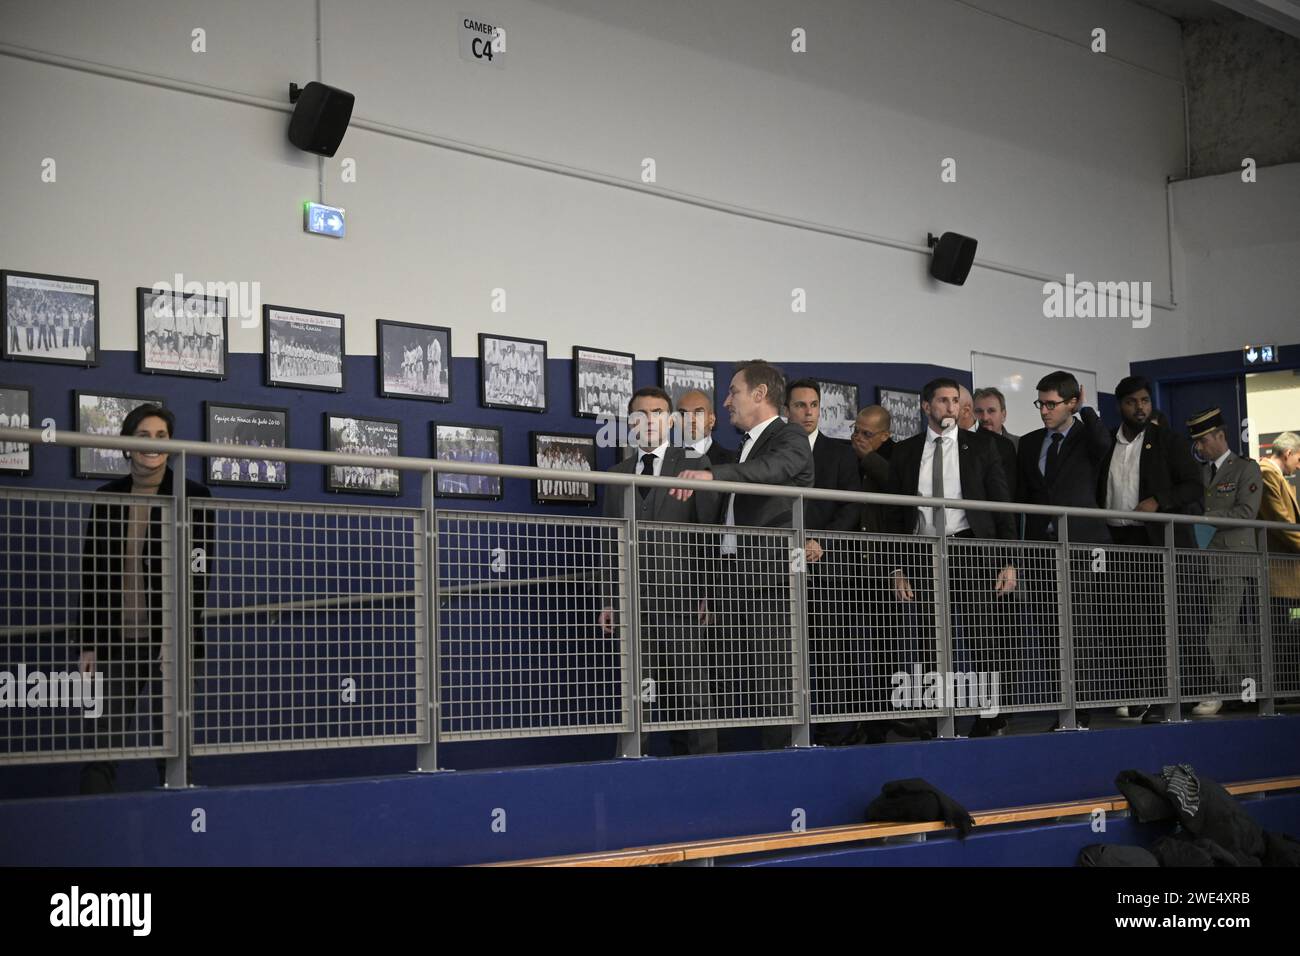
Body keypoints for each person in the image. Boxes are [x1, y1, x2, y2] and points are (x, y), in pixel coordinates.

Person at [672, 360, 814, 749]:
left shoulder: (789, 437)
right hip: (732, 579)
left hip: (769, 578)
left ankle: (783, 769)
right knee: (728, 678)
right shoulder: (744, 445)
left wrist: (712, 475)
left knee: (774, 681)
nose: (727, 400)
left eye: (733, 391)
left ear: (759, 394)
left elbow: (773, 470)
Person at [78, 404, 213, 794]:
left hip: (170, 648)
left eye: (160, 437)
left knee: (174, 755)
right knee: (99, 748)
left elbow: (198, 577)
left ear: (170, 446)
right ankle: (93, 829)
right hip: (114, 646)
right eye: (142, 436)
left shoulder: (193, 495)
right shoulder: (107, 497)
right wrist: (88, 644)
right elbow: (91, 576)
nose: (151, 445)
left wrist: (177, 638)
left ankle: (181, 833)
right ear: (127, 444)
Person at [884, 377, 1018, 737]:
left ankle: (992, 715)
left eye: (955, 401)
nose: (950, 407)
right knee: (929, 637)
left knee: (982, 635)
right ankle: (935, 713)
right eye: (942, 400)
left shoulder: (984, 447)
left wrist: (1008, 560)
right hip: (923, 552)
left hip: (970, 548)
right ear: (926, 406)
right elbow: (894, 516)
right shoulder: (906, 451)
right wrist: (897, 566)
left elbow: (1001, 504)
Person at [602, 387, 722, 755]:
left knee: (693, 700)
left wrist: (709, 594)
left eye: (657, 412)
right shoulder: (617, 473)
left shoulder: (694, 465)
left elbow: (709, 535)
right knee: (637, 701)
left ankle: (703, 776)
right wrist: (610, 599)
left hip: (683, 603)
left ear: (670, 421)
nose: (650, 419)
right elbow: (611, 544)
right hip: (634, 606)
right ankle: (635, 773)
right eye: (641, 413)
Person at [1093, 376, 1203, 721]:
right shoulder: (1106, 443)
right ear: (1120, 406)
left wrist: (1159, 500)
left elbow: (1193, 486)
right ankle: (1139, 692)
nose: (1140, 408)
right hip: (1119, 542)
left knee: (1165, 620)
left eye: (1145, 400)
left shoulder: (1167, 441)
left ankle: (1175, 696)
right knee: (1124, 622)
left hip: (1157, 541)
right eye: (1132, 402)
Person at [1017, 371, 1112, 729]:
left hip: (1082, 545)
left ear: (1072, 402)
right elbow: (1023, 496)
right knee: (1048, 627)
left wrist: (1087, 411)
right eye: (1040, 403)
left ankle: (1081, 710)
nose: (1044, 411)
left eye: (1052, 404)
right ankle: (1062, 707)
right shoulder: (1029, 443)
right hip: (1043, 547)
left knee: (1081, 628)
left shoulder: (1088, 435)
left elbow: (1105, 447)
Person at [784, 379, 869, 746]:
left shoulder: (840, 453)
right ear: (787, 409)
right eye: (800, 405)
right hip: (782, 568)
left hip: (828, 572)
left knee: (831, 655)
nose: (808, 412)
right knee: (788, 656)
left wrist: (823, 541)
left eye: (814, 405)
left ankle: (836, 735)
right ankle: (793, 733)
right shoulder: (775, 452)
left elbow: (852, 505)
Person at [1186, 407, 1263, 716]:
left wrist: (1205, 517)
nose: (1200, 448)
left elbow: (1247, 512)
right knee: (1225, 628)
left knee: (1219, 627)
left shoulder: (1245, 468)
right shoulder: (1202, 473)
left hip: (1234, 557)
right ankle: (1248, 689)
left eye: (1204, 441)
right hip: (1208, 558)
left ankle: (1210, 690)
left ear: (1220, 436)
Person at [1259, 432, 1300, 701]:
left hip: (1287, 578)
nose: (1298, 464)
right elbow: (1283, 524)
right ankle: (1282, 694)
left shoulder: (1278, 477)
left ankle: (1286, 692)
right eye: (1298, 458)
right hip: (1277, 577)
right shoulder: (1266, 473)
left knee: (1288, 637)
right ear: (1287, 453)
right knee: (1281, 640)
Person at [851, 405, 892, 533]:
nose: (858, 437)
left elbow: (895, 483)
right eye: (856, 431)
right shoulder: (846, 454)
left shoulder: (900, 454)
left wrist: (869, 457)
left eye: (867, 434)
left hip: (883, 537)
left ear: (884, 435)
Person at [676, 388, 735, 467]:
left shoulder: (733, 461)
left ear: (712, 420)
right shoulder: (663, 458)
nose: (690, 420)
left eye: (698, 413)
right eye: (683, 414)